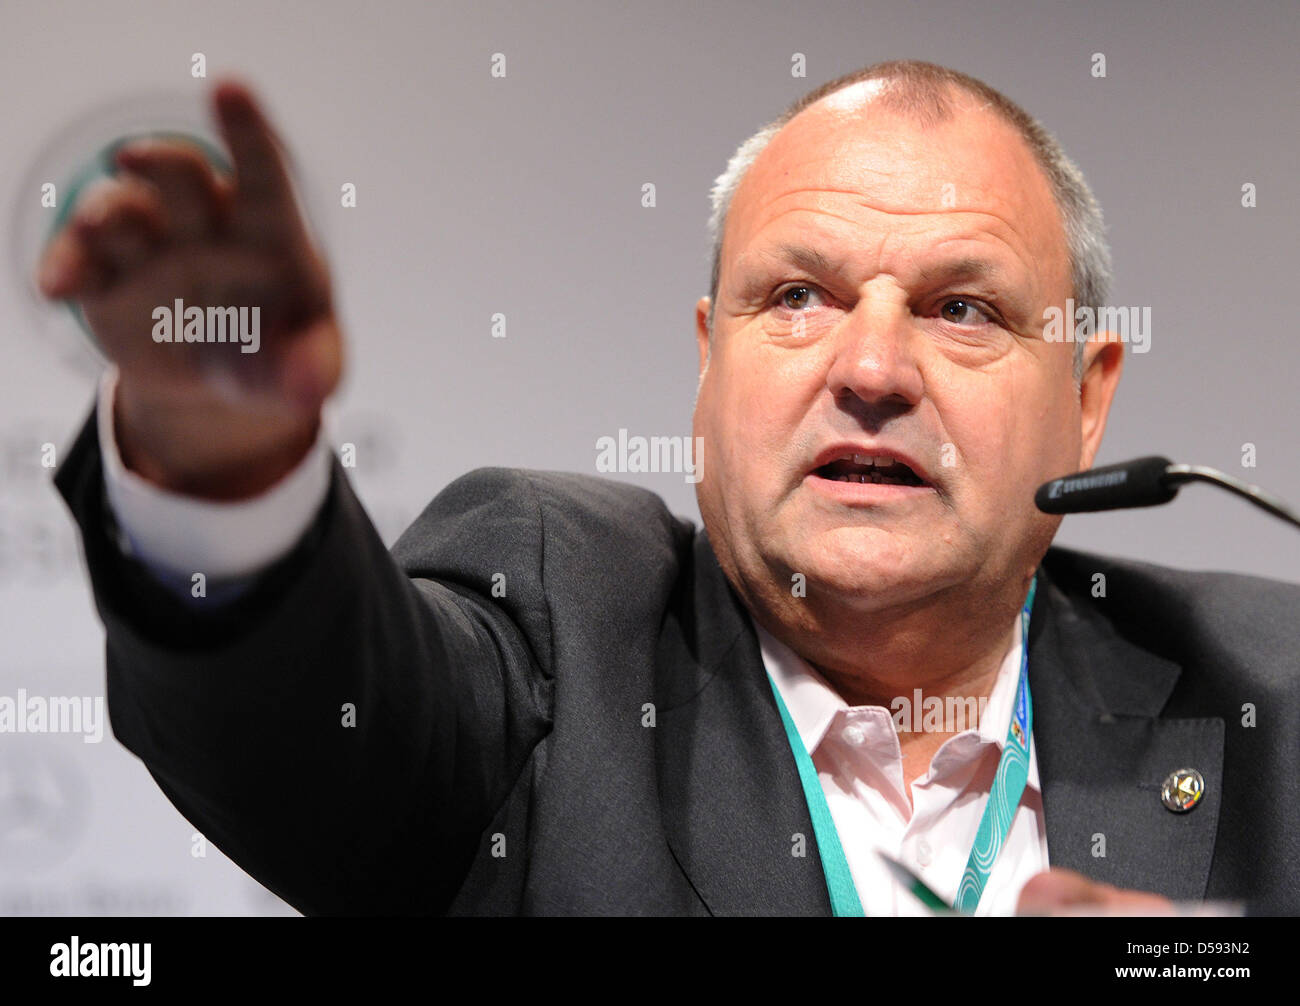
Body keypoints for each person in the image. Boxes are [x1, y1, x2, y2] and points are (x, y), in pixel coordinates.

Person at [43, 60, 1299, 916]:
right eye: (795, 296)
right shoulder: (563, 625)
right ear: (710, 359)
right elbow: (313, 729)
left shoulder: (1271, 694)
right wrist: (225, 465)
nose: (867, 367)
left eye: (959, 309)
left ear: (1087, 395)